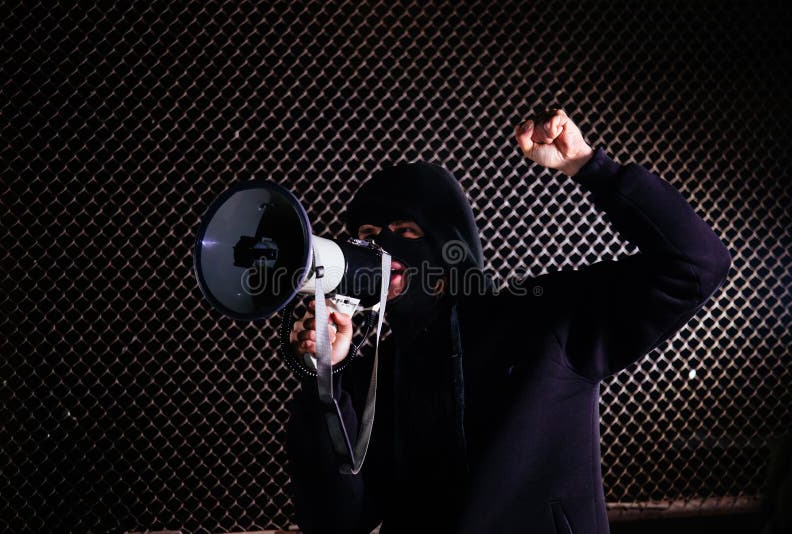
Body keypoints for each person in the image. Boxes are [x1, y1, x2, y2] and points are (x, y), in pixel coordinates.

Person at [284, 108, 732, 533]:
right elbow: (336, 522)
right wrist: (323, 377)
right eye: (366, 238)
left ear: (446, 244)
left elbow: (695, 263)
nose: (380, 249)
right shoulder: (369, 378)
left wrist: (590, 167)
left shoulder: (540, 320)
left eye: (404, 232)